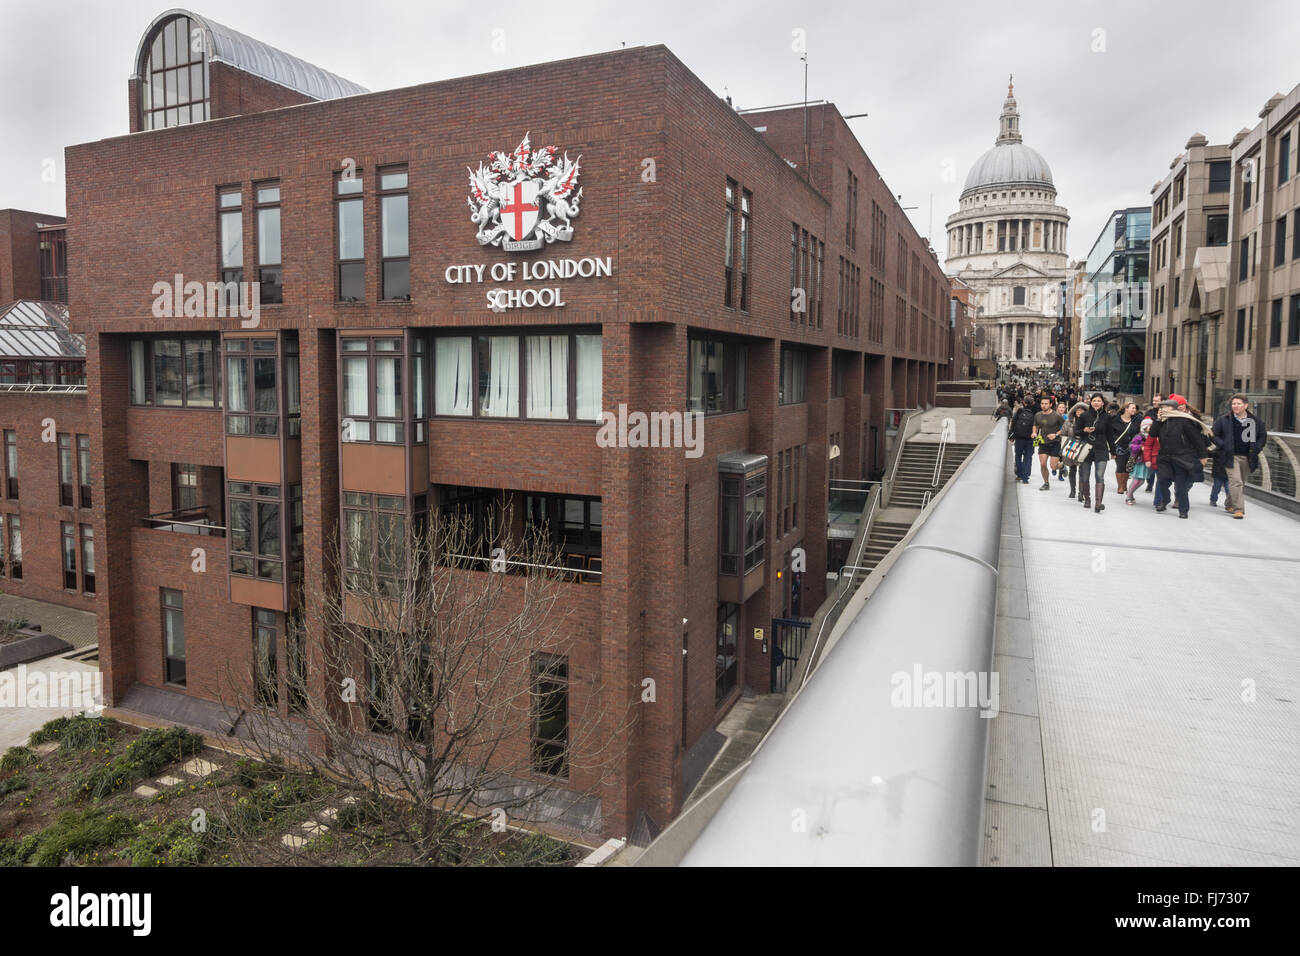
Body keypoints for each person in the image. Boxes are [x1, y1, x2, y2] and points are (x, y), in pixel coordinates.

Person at [1149, 395, 1214, 519]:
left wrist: (1203, 456)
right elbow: (1152, 434)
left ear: (1173, 408)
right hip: (1165, 457)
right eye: (1161, 407)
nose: (1161, 409)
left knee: (1180, 487)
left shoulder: (1185, 421)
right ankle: (1165, 500)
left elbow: (1197, 440)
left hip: (1182, 458)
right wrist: (1157, 420)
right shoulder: (1161, 421)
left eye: (1165, 407)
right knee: (1162, 481)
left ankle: (1183, 510)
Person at [1211, 394, 1269, 519]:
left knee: (1240, 482)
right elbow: (1213, 434)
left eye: (1238, 404)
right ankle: (1239, 509)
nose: (1235, 406)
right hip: (1230, 456)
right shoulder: (1224, 420)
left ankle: (1229, 503)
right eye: (1233, 404)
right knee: (1236, 482)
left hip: (1248, 457)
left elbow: (1262, 436)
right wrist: (1223, 445)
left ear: (1246, 405)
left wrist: (1257, 448)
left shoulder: (1255, 421)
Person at [1075, 393, 1113, 512]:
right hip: (1086, 448)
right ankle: (1087, 499)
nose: (1096, 402)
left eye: (1098, 400)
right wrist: (1084, 430)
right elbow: (1076, 431)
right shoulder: (1084, 415)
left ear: (1102, 403)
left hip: (1101, 449)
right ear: (1090, 402)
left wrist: (1113, 450)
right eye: (1094, 400)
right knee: (1085, 476)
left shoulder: (1107, 417)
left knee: (1100, 476)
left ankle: (1098, 503)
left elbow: (1110, 436)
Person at [1107, 401, 1141, 497]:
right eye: (1132, 408)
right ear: (1126, 408)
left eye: (1135, 408)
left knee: (1128, 466)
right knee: (1120, 465)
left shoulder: (1137, 419)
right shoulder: (1115, 419)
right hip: (1119, 446)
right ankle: (1120, 486)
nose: (1134, 410)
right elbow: (1110, 432)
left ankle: (1125, 485)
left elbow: (1141, 431)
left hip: (1131, 447)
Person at [1032, 394, 1065, 491]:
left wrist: (1056, 434)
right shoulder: (1038, 415)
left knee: (1053, 466)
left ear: (1050, 404)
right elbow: (1036, 425)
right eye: (1042, 403)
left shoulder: (1057, 415)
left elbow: (1065, 428)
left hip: (1055, 443)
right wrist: (1034, 432)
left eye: (1046, 404)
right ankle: (1046, 483)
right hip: (1043, 442)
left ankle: (1062, 466)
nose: (1043, 405)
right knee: (1042, 464)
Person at [1125, 418, 1153, 505]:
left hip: (1147, 461)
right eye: (1149, 426)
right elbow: (1131, 446)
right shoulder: (1139, 436)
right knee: (1137, 480)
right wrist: (1140, 447)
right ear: (1144, 427)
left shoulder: (1153, 437)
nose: (1151, 427)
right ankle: (1128, 496)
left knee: (1142, 481)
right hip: (1139, 461)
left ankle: (1130, 493)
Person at [1008, 400, 1036, 483]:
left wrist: (1011, 435)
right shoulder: (1035, 412)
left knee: (1018, 456)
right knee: (1028, 457)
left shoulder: (1019, 411)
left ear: (1024, 403)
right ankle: (1025, 477)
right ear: (1033, 403)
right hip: (1030, 438)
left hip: (1019, 438)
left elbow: (1013, 422)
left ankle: (1019, 475)